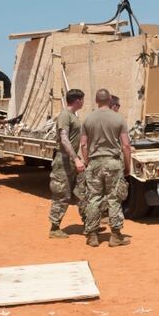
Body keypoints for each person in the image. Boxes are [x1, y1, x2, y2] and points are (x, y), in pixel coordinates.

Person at [81, 88, 132, 248]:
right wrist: (127, 166)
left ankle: (92, 235)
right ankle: (115, 235)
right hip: (113, 162)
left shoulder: (87, 119)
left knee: (94, 198)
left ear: (96, 100)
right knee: (114, 198)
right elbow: (126, 145)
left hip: (95, 162)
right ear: (110, 100)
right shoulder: (118, 119)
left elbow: (83, 144)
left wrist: (88, 161)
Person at [49, 89, 86, 239]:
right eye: (83, 99)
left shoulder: (72, 116)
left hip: (71, 159)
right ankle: (54, 228)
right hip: (63, 160)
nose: (84, 102)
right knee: (61, 194)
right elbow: (64, 139)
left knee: (82, 192)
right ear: (77, 100)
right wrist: (76, 159)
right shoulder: (65, 115)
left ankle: (89, 224)